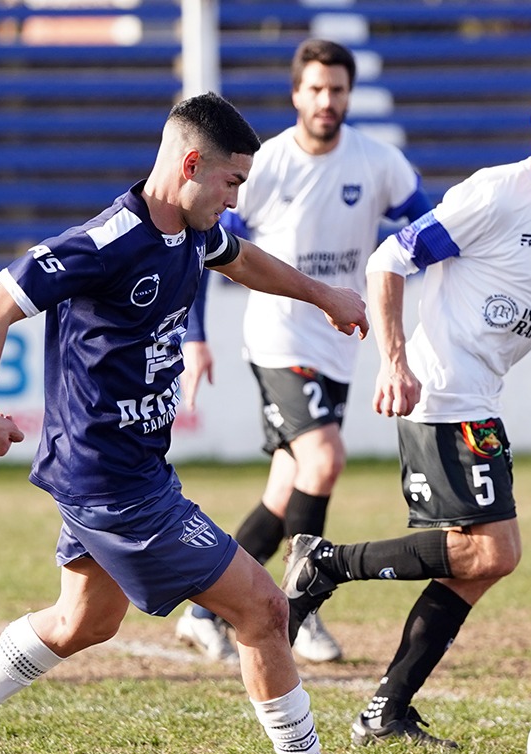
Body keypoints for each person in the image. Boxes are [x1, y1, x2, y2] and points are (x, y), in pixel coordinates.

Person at [0, 92, 393, 754]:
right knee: (263, 607)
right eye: (231, 182)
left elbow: (243, 259)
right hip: (112, 483)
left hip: (126, 470)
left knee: (84, 621)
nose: (235, 199)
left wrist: (322, 296)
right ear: (191, 165)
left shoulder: (191, 233)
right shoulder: (106, 242)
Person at [280, 62, 531, 748]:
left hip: (478, 398)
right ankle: (327, 566)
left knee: (484, 560)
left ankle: (385, 709)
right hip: (441, 390)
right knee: (492, 551)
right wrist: (395, 362)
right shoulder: (496, 193)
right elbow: (389, 259)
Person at [175, 39, 432, 666]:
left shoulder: (378, 162)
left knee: (285, 492)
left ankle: (202, 612)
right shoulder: (266, 166)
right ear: (297, 94)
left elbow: (425, 229)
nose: (326, 100)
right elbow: (208, 246)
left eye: (337, 90)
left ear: (349, 95)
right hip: (279, 337)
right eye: (315, 89)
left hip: (339, 345)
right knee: (324, 459)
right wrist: (195, 334)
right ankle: (300, 609)